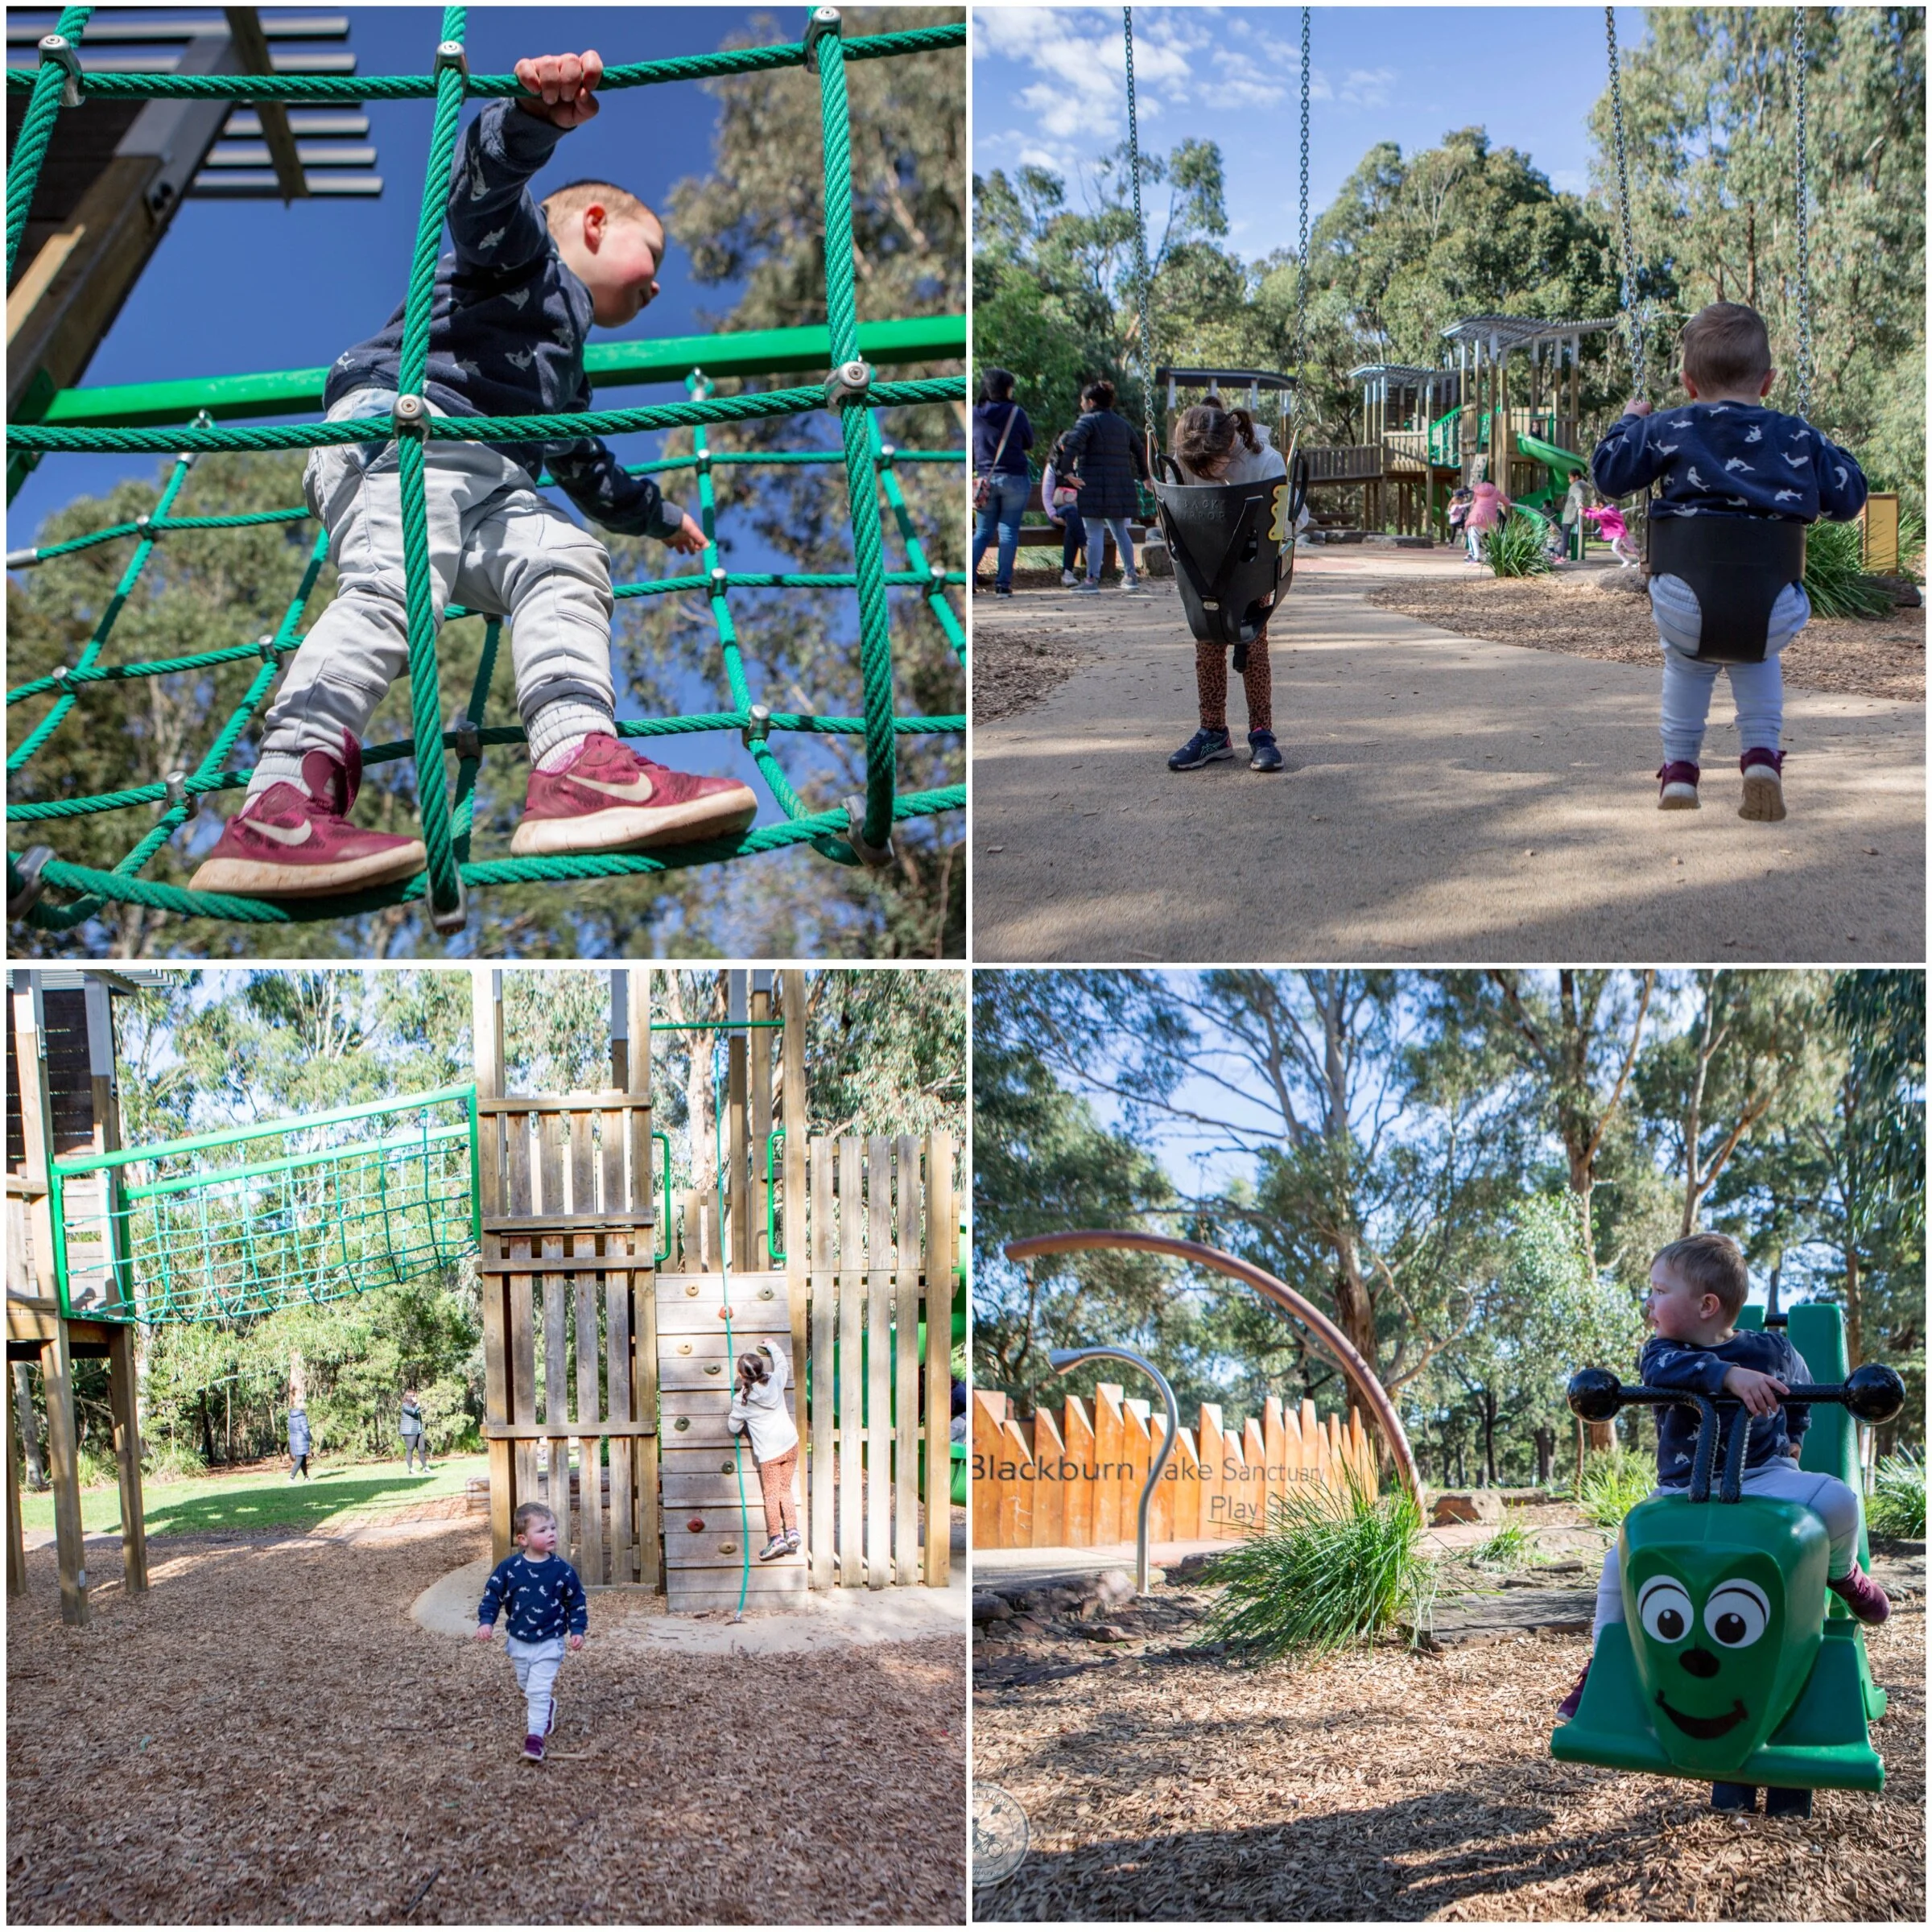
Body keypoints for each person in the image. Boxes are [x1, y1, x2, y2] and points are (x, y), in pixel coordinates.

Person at [189, 49, 757, 900]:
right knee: (392, 589)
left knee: (565, 557)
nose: (662, 279)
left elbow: (586, 463)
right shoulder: (524, 263)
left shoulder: (564, 369)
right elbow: (477, 198)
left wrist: (657, 514)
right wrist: (528, 122)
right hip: (408, 432)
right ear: (596, 223)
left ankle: (574, 763)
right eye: (655, 250)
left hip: (486, 478)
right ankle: (280, 795)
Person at [1555, 1232, 1890, 1724]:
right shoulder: (1662, 1352)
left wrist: (1794, 1438)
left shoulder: (1774, 1351)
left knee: (1839, 1501)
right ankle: (1607, 1663)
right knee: (1620, 1558)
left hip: (1763, 1476)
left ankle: (1841, 1574)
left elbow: (1799, 1389)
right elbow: (1664, 1373)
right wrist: (1729, 1377)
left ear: (1707, 1304)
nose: (1649, 1302)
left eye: (1660, 1291)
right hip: (1682, 1490)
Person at [1590, 301, 1867, 820]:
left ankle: (1680, 773)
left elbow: (1608, 473)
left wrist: (1629, 421)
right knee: (1757, 655)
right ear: (1768, 382)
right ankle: (1761, 759)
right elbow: (1848, 499)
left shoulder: (1666, 427)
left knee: (1688, 662)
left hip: (1684, 601)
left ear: (1688, 383)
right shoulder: (1797, 437)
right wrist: (1824, 443)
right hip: (1773, 604)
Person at [1162, 399, 1290, 774]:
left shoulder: (1265, 461)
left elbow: (1285, 520)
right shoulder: (1189, 459)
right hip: (1204, 567)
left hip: (1251, 567)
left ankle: (1262, 732)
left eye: (1209, 464)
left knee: (1252, 642)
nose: (1203, 472)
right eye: (1195, 466)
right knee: (1207, 642)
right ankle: (1214, 731)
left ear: (1229, 443)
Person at [475, 1501, 588, 1762]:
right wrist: (486, 1622)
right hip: (519, 1641)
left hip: (550, 1641)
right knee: (527, 1685)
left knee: (537, 1690)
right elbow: (492, 1595)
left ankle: (535, 1738)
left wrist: (578, 1629)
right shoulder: (509, 1569)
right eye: (542, 1530)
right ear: (523, 1539)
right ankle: (546, 1707)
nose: (551, 1533)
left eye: (553, 1528)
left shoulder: (562, 1571)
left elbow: (577, 1601)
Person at [1060, 378, 1149, 592]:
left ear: (1091, 402)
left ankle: (1092, 580)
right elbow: (1138, 449)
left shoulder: (1087, 421)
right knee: (1120, 530)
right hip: (1120, 485)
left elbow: (1071, 445)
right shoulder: (1122, 424)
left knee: (1094, 532)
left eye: (1083, 401)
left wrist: (1067, 472)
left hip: (1093, 484)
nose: (1081, 404)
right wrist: (1145, 476)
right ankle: (1130, 576)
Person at [729, 1340, 799, 1559]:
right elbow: (782, 1365)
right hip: (790, 1444)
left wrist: (737, 1416)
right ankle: (793, 1531)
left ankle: (776, 1538)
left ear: (742, 1377)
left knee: (771, 1494)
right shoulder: (776, 1382)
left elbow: (733, 1427)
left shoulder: (742, 1400)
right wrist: (772, 1346)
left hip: (770, 1454)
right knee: (784, 1489)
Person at [971, 367, 1034, 598]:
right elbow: (1029, 442)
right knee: (1008, 532)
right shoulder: (1016, 413)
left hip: (985, 480)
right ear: (1006, 388)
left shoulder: (975, 413)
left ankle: (970, 581)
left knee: (983, 532)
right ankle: (1003, 585)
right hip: (1015, 478)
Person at [1038, 431, 1087, 588]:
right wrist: (1053, 515)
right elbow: (1046, 495)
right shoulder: (1053, 467)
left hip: (1077, 517)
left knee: (1072, 525)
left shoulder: (1080, 466)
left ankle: (1068, 574)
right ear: (1062, 447)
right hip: (1058, 513)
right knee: (1072, 513)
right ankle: (1085, 547)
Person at [1463, 470, 1511, 564]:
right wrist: (1506, 503)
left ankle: (1475, 556)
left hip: (1476, 518)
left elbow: (1474, 503)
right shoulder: (1496, 491)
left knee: (1473, 537)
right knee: (1492, 538)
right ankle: (1491, 555)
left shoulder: (1477, 492)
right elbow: (1506, 502)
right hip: (1490, 521)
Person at [1583, 499, 1640, 568]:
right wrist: (1585, 509)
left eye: (1596, 508)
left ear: (1601, 505)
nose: (1596, 510)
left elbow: (1598, 515)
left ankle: (1627, 561)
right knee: (1630, 547)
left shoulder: (1607, 512)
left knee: (1615, 547)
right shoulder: (1608, 509)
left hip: (1619, 532)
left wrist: (1586, 514)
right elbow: (1594, 510)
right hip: (1620, 531)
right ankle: (1643, 558)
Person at [399, 1386, 431, 1475]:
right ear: (409, 1397)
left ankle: (426, 1468)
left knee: (422, 1449)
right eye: (414, 1396)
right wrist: (418, 1406)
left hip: (419, 1431)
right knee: (410, 1449)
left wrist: (417, 1406)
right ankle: (411, 1469)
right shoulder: (405, 1406)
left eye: (416, 1396)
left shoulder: (415, 1406)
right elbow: (412, 1412)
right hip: (409, 1431)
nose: (416, 1397)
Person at [1561, 471, 1590, 559]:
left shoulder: (1575, 485)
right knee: (1568, 534)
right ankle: (1564, 556)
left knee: (1565, 535)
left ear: (1576, 477)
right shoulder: (1583, 485)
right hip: (1575, 512)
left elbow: (1578, 494)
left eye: (1570, 477)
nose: (1569, 480)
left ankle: (1563, 557)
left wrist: (1579, 503)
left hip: (1570, 513)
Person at [287, 1402, 312, 1482]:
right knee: (299, 1459)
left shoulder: (291, 1416)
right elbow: (305, 1430)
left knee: (302, 1458)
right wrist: (310, 1438)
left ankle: (306, 1477)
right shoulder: (302, 1417)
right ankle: (291, 1478)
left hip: (293, 1439)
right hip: (301, 1439)